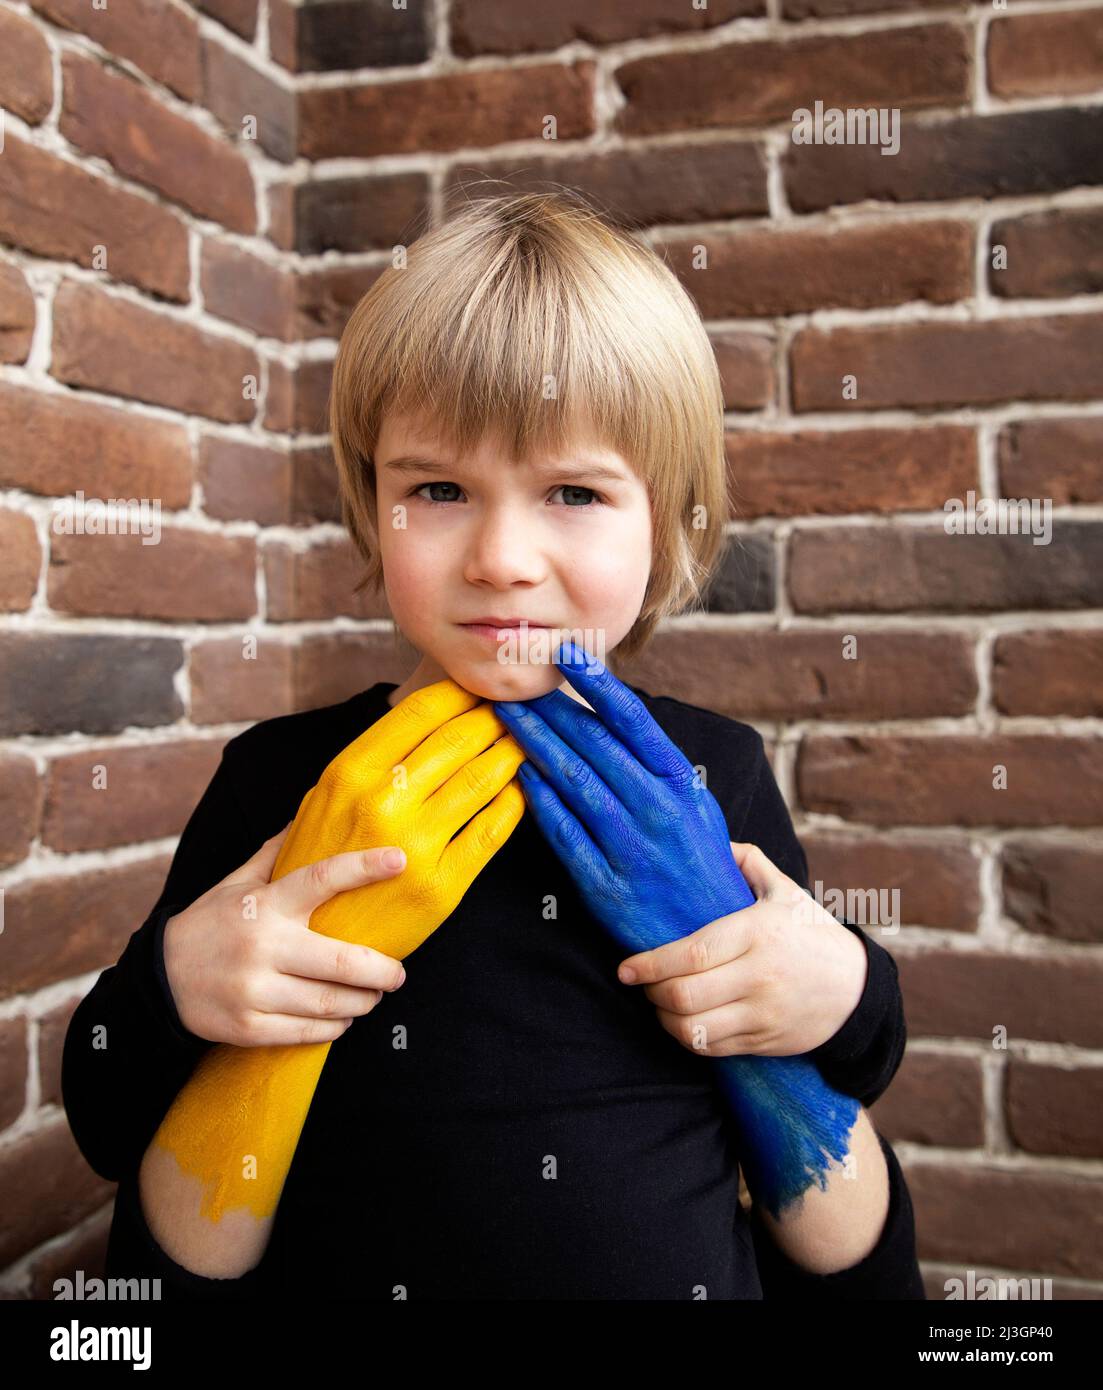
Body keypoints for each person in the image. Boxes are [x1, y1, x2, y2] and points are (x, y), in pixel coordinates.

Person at [62, 190, 924, 1300]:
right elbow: (103, 1115)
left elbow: (851, 1069)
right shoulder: (279, 776)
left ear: (665, 520)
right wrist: (178, 982)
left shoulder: (717, 770)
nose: (502, 556)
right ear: (375, 507)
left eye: (572, 490)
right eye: (438, 488)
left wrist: (846, 982)